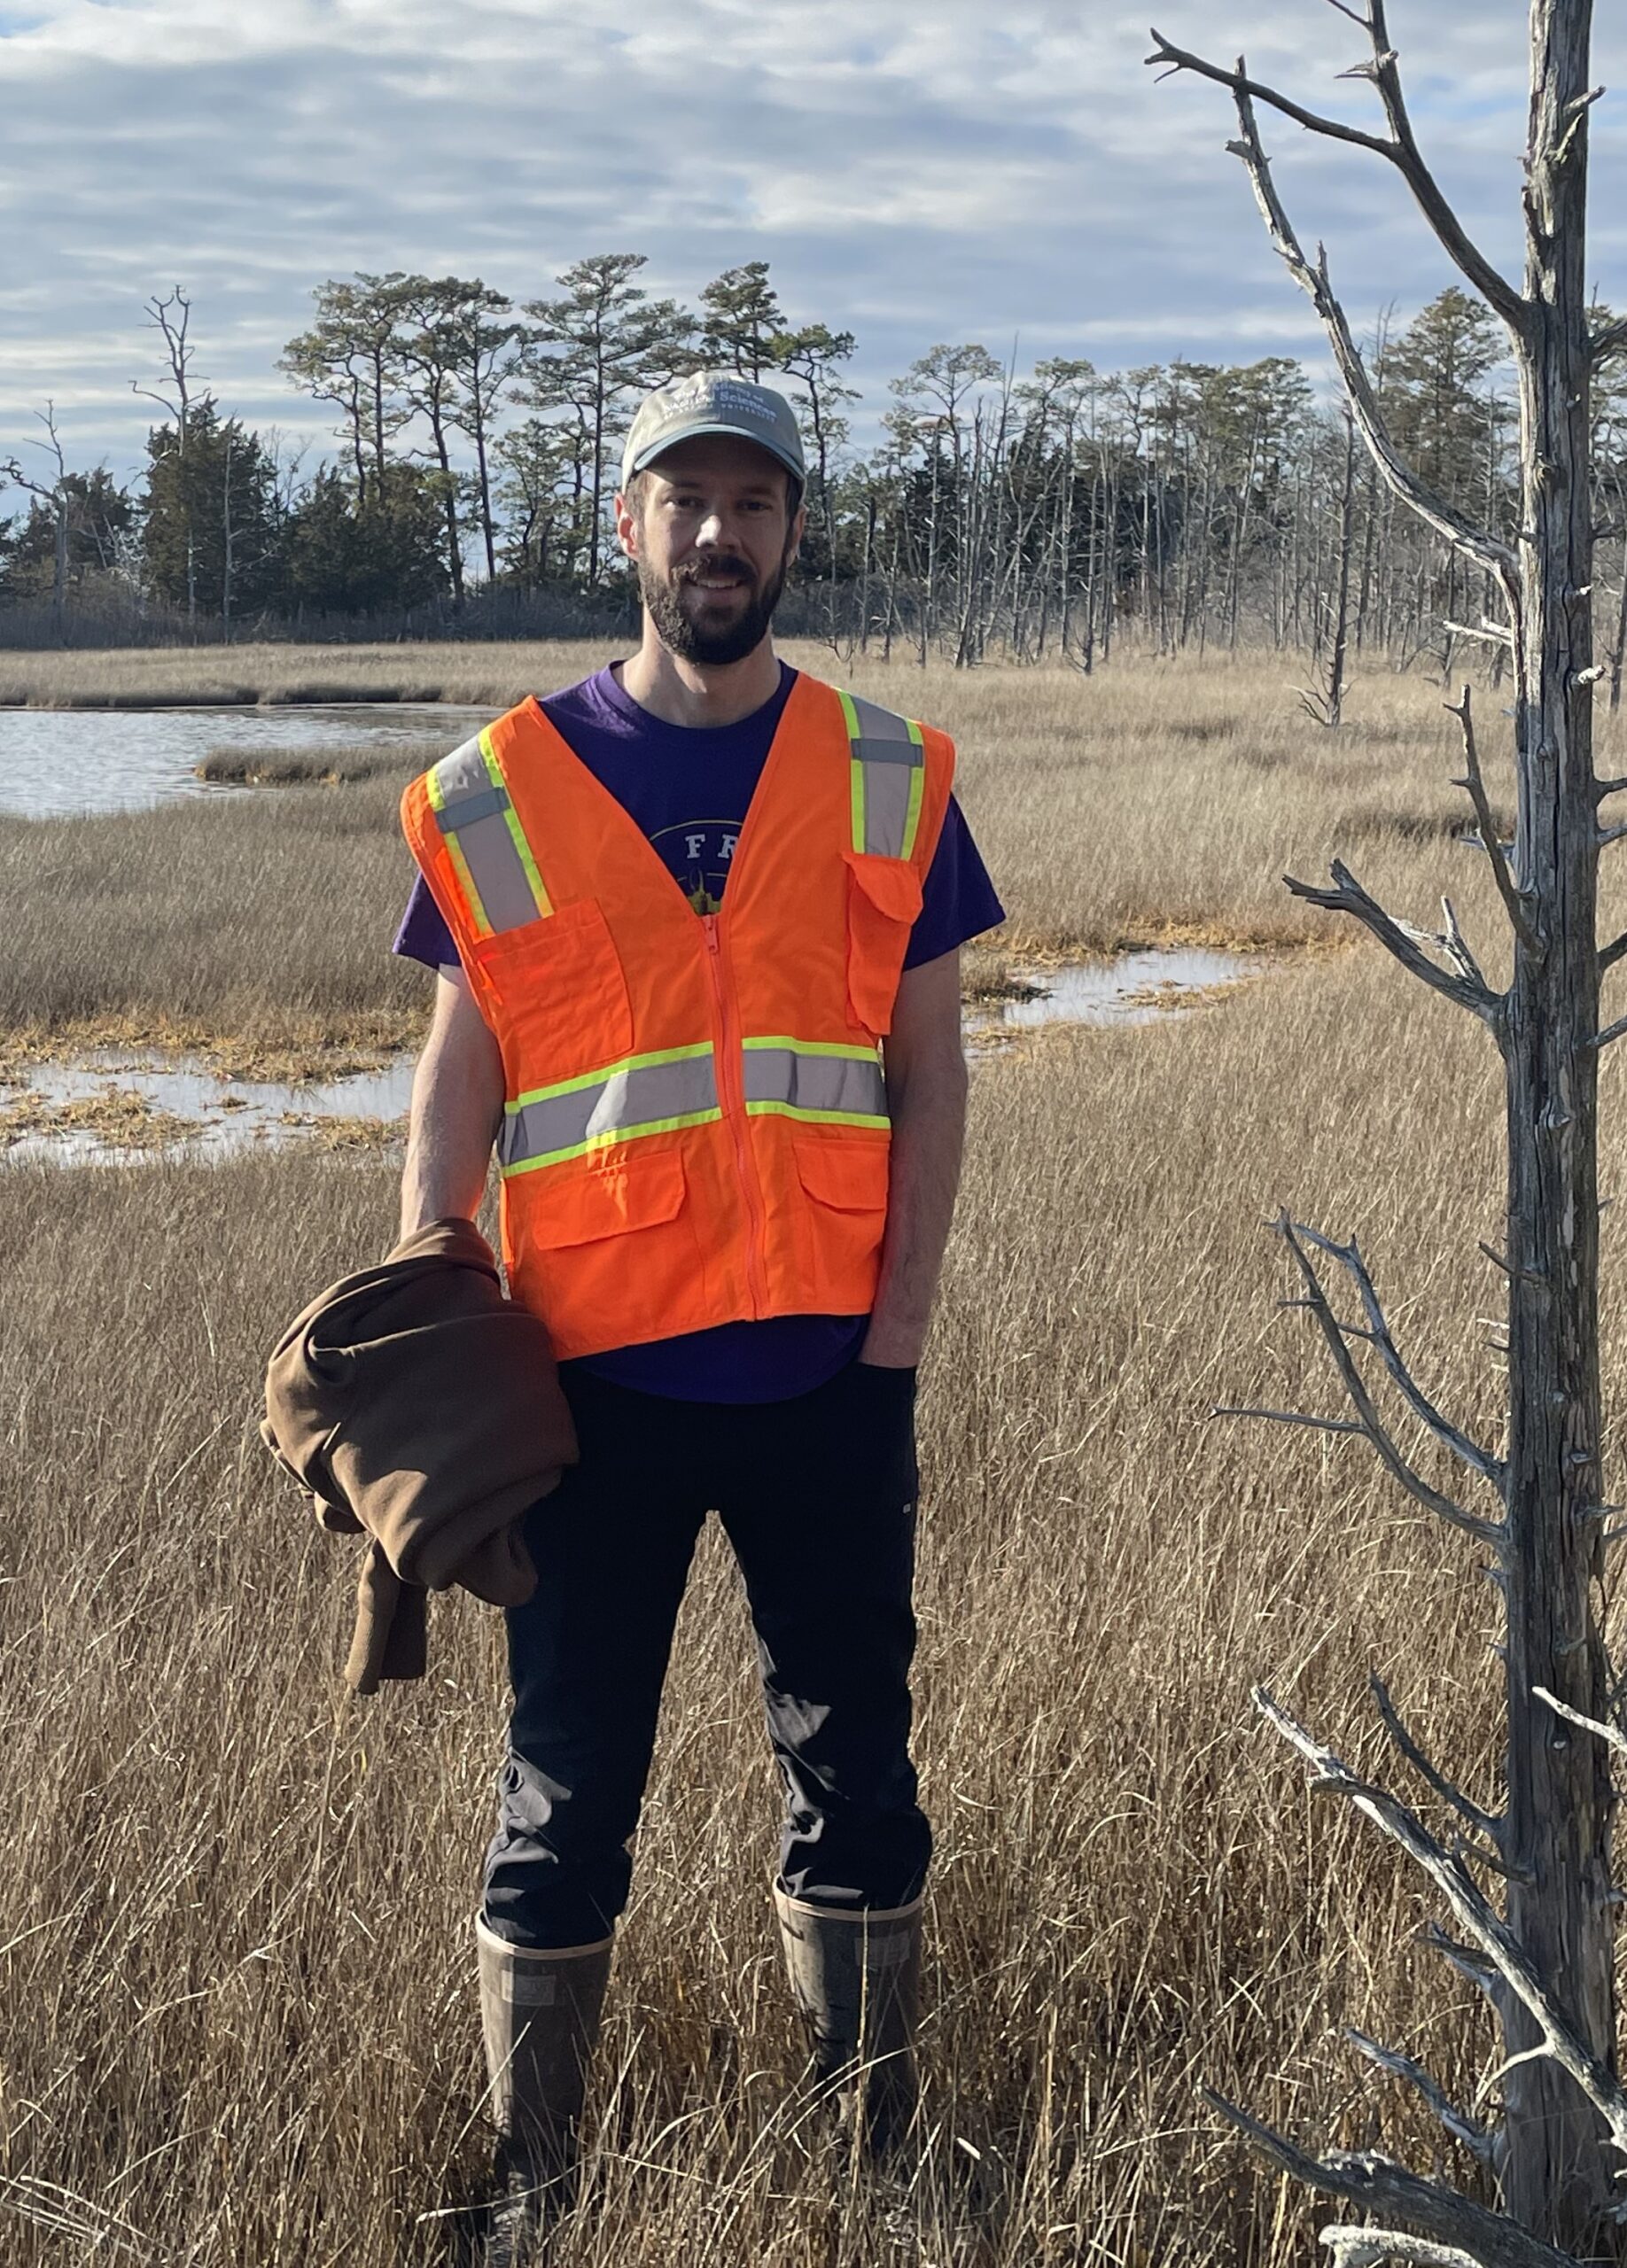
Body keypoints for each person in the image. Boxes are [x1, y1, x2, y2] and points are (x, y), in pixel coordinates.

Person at [394, 370, 1003, 2254]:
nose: (720, 533)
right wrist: (434, 1304)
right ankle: (534, 2182)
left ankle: (872, 2154)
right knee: (568, 1777)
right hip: (589, 1392)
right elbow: (458, 1080)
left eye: (754, 501)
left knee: (859, 1764)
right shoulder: (499, 791)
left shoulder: (891, 775)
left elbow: (933, 1067)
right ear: (628, 527)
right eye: (686, 500)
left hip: (828, 1373)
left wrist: (895, 1332)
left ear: (792, 533)